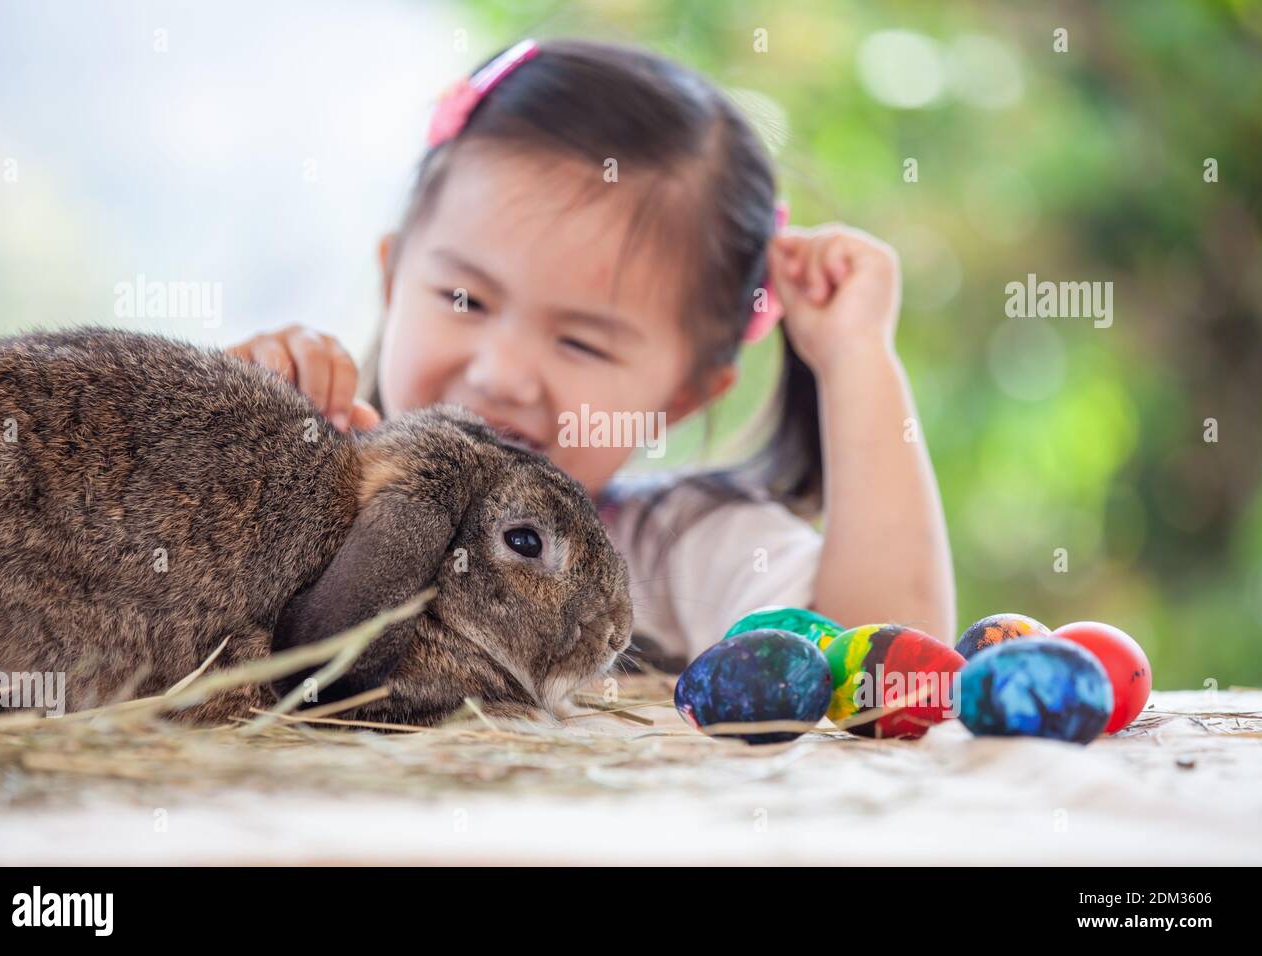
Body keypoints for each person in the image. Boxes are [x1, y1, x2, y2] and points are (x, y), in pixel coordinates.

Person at [229, 37, 955, 669]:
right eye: (465, 300)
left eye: (579, 341)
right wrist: (239, 424)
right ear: (393, 280)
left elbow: (893, 662)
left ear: (683, 396)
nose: (500, 374)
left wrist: (854, 357)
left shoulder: (682, 550)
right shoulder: (321, 462)